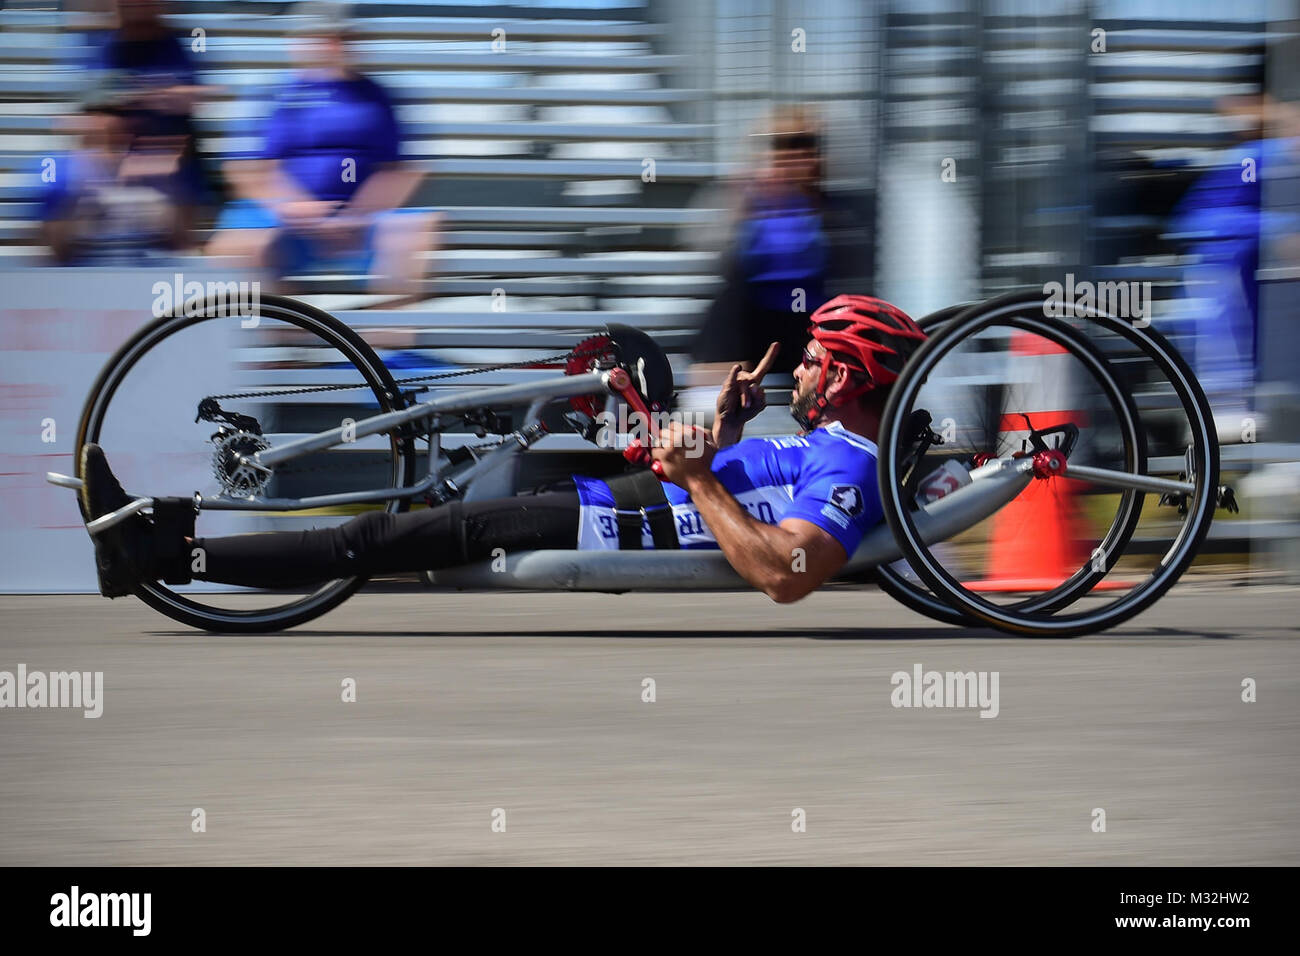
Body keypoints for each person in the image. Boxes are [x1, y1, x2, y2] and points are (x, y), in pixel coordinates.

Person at [79, 297, 927, 605]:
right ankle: (174, 532)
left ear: (851, 375)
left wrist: (701, 473)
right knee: (427, 483)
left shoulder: (849, 466)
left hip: (604, 522)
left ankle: (161, 553)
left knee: (374, 542)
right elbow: (754, 491)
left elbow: (787, 574)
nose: (803, 365)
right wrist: (730, 429)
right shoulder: (834, 440)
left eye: (818, 356)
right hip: (626, 495)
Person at [206, 1, 439, 297]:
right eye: (321, 37)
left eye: (341, 38)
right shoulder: (273, 96)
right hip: (283, 218)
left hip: (361, 223)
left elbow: (403, 171)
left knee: (415, 232)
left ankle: (382, 340)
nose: (332, 46)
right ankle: (289, 337)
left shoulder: (380, 99)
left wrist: (357, 215)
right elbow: (243, 168)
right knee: (236, 246)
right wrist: (293, 207)